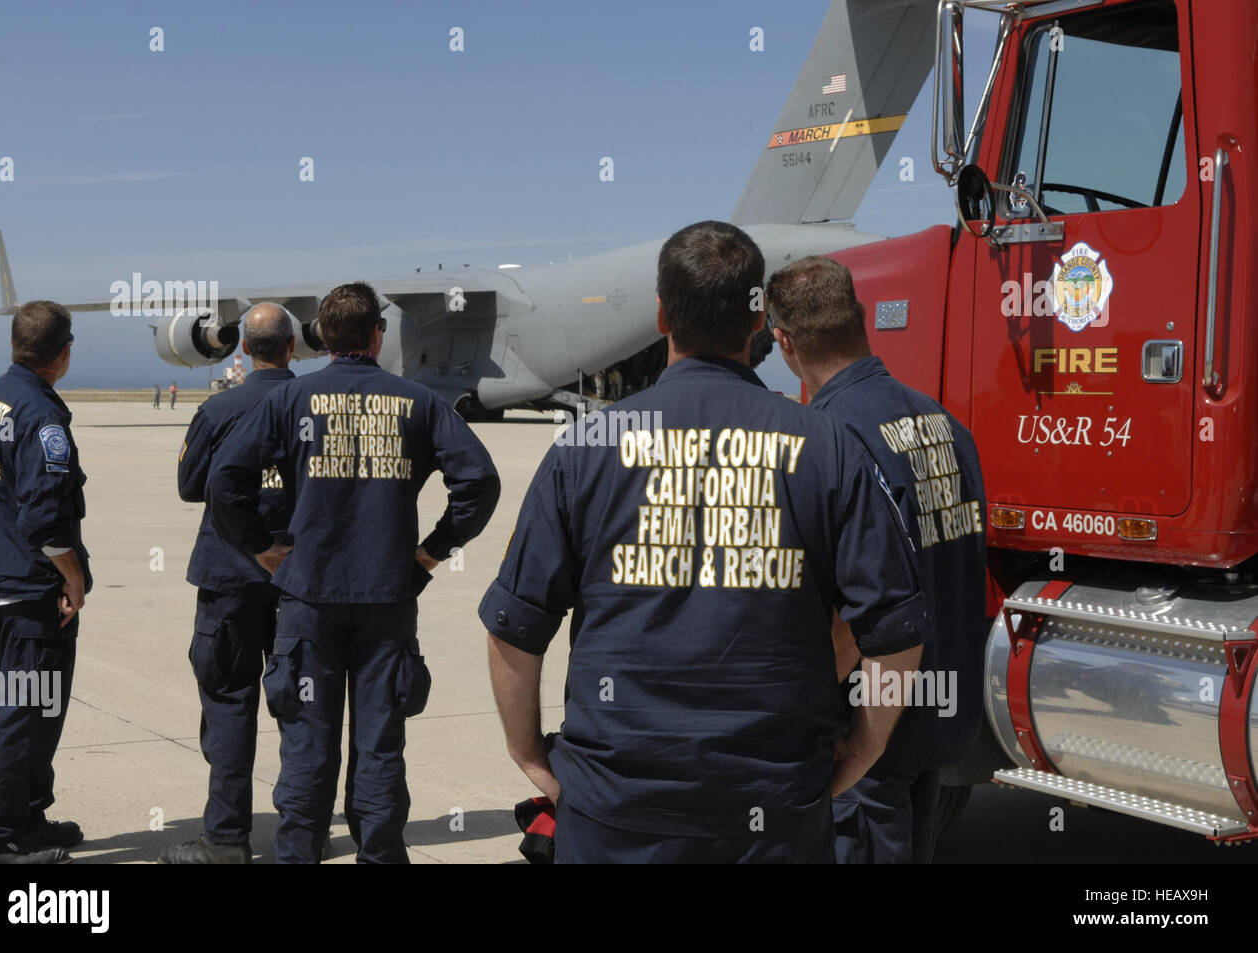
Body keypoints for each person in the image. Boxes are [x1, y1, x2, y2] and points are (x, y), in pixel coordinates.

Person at [480, 221, 930, 864]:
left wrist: (529, 753)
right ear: (757, 323)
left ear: (662, 314)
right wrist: (863, 748)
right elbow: (896, 634)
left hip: (616, 807)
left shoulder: (585, 449)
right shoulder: (828, 447)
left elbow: (513, 631)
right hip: (773, 806)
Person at [207, 282, 501, 864]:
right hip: (387, 599)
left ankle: (298, 853)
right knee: (380, 743)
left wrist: (261, 547)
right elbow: (479, 482)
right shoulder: (418, 401)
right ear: (376, 336)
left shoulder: (290, 401)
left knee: (307, 743)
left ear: (324, 339)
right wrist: (433, 551)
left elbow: (223, 482)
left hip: (308, 598)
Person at [765, 255, 987, 864]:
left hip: (863, 736)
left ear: (782, 340)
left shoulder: (827, 442)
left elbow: (839, 613)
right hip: (933, 722)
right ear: (861, 318)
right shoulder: (946, 426)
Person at [160, 305, 297, 864]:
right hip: (298, 579)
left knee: (229, 706)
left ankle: (225, 839)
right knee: (303, 709)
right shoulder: (315, 406)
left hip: (230, 577)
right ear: (292, 349)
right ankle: (303, 831)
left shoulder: (220, 409)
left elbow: (192, 487)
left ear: (242, 349)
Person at [0, 300, 89, 865]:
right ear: (63, 354)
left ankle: (26, 819)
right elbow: (45, 519)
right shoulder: (41, 417)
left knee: (40, 709)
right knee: (23, 715)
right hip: (30, 592)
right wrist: (74, 579)